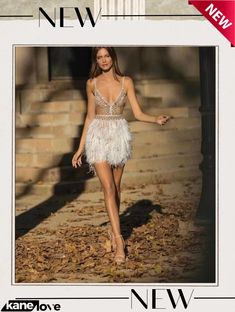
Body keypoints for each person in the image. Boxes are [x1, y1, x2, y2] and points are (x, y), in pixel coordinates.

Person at [72, 47, 170, 265]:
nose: (104, 60)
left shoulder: (126, 81)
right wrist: (80, 148)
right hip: (97, 137)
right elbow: (89, 117)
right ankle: (119, 240)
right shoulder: (91, 83)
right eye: (99, 57)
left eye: (107, 56)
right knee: (107, 188)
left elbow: (137, 113)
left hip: (119, 136)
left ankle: (112, 227)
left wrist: (155, 119)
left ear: (112, 58)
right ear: (96, 61)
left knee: (115, 189)